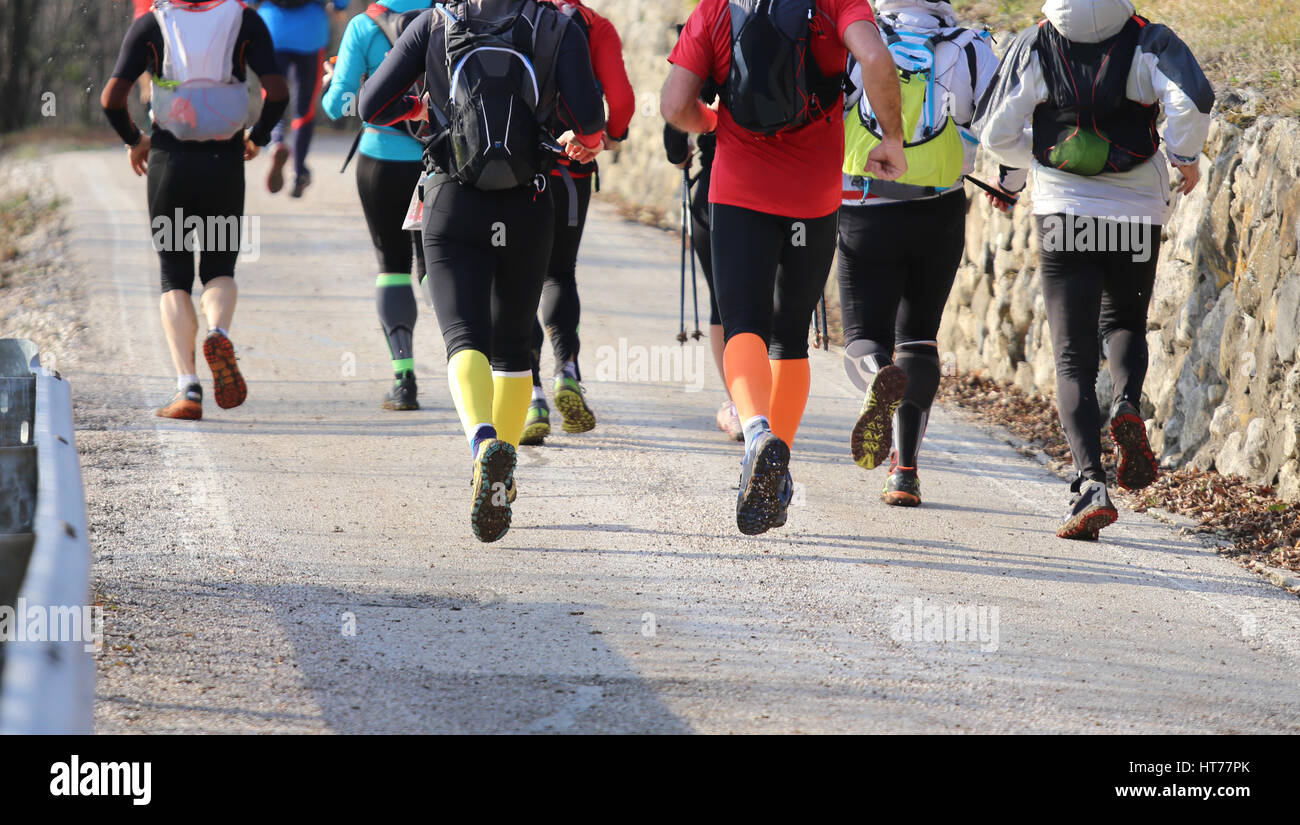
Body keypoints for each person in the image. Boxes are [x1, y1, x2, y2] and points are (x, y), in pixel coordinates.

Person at [360, 0, 605, 542]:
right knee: (513, 347)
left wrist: (420, 108)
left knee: (463, 336)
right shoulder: (555, 25)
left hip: (453, 198)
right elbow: (592, 119)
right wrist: (577, 140)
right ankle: (503, 468)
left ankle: (482, 445)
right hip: (528, 202)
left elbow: (368, 104)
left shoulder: (435, 23)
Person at [661, 0, 907, 536]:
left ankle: (755, 435)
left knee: (742, 322)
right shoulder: (837, 4)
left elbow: (675, 103)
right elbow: (875, 57)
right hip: (812, 197)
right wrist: (891, 138)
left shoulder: (716, 10)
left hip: (739, 193)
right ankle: (781, 463)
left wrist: (712, 121)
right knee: (790, 336)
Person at [974, 0, 1213, 539]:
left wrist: (1031, 156)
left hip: (1064, 210)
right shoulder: (1148, 38)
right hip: (1135, 208)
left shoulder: (1036, 43)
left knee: (1073, 356)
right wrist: (1182, 154)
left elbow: (993, 130)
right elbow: (1193, 99)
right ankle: (1127, 403)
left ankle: (1090, 485)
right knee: (1125, 320)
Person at [837, 0, 1024, 507]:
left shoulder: (857, 35)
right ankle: (905, 472)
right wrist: (1010, 185)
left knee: (861, 338)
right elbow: (1008, 125)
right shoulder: (972, 48)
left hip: (863, 204)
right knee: (918, 337)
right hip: (938, 210)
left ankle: (878, 377)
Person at [101, 0, 289, 420]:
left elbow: (111, 98)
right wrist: (257, 137)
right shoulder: (245, 19)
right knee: (220, 269)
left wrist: (135, 140)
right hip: (224, 164)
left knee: (174, 277)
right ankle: (218, 332)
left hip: (170, 164)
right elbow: (277, 93)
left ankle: (188, 389)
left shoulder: (153, 23)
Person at [519, 0, 634, 446]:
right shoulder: (593, 25)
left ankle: (529, 395)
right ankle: (567, 371)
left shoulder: (511, 14)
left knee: (513, 280)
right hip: (572, 169)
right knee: (558, 272)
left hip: (512, 170)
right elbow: (621, 101)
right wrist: (607, 137)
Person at [321, 0, 433, 411]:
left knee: (392, 265)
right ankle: (478, 360)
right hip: (436, 161)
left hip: (381, 161)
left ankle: (404, 380)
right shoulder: (446, 16)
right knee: (437, 266)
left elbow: (338, 106)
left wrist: (334, 82)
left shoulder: (363, 27)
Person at [664, 76, 743, 442]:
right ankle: (771, 399)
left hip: (717, 196)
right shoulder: (800, 30)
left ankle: (740, 406)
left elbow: (674, 140)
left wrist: (684, 155)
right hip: (788, 194)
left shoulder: (709, 47)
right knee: (771, 302)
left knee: (723, 304)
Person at [258, 0, 350, 198]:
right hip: (311, 33)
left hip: (271, 30)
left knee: (273, 99)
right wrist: (339, 7)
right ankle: (298, 172)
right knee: (304, 108)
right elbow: (340, 3)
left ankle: (276, 143)